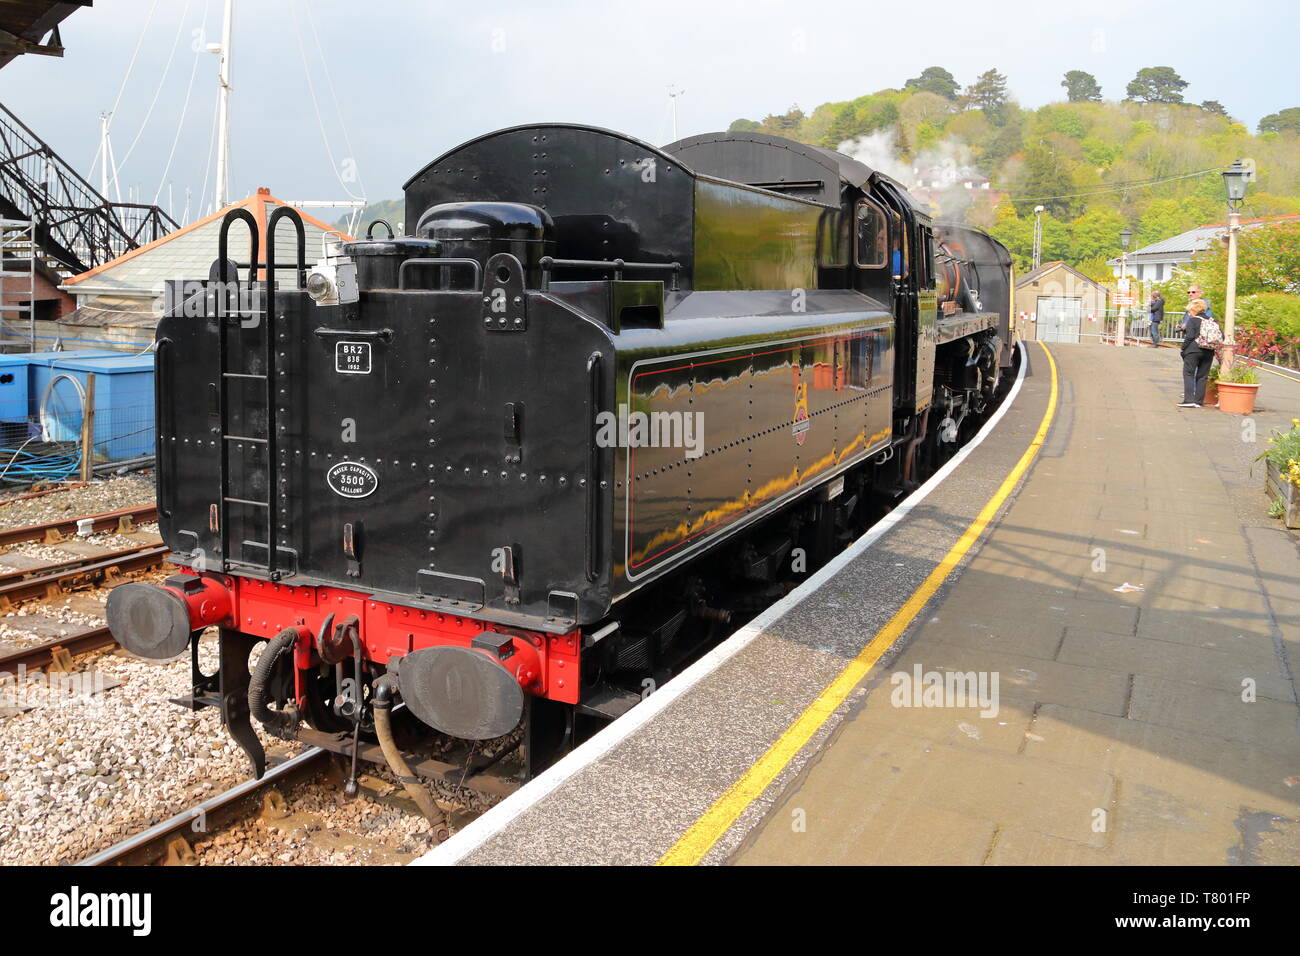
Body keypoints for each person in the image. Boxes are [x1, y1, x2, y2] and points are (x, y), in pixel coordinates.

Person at [1176, 298, 1215, 407]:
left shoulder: (1193, 320)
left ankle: (1189, 400)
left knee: (1188, 373)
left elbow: (1189, 337)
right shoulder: (1212, 320)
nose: (1189, 313)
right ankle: (1199, 401)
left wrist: (1183, 348)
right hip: (1209, 350)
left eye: (1190, 311)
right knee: (1203, 376)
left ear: (1194, 310)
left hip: (1194, 350)